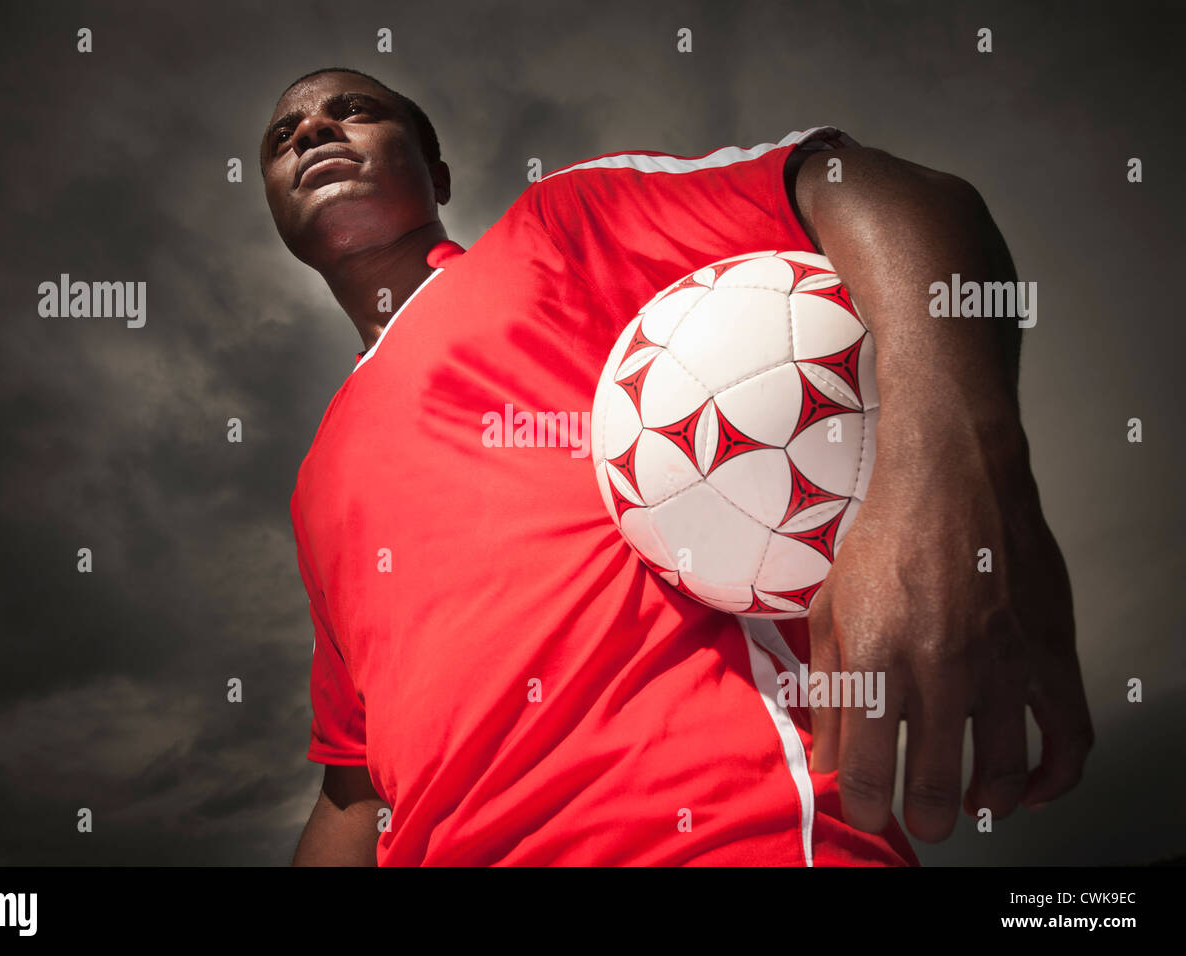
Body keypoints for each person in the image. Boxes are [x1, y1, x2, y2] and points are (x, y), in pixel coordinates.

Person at [261, 67, 1093, 866]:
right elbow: (355, 787)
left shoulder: (554, 232)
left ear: (436, 173)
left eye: (354, 108)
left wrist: (947, 474)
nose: (313, 131)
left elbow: (885, 192)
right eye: (282, 136)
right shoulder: (315, 482)